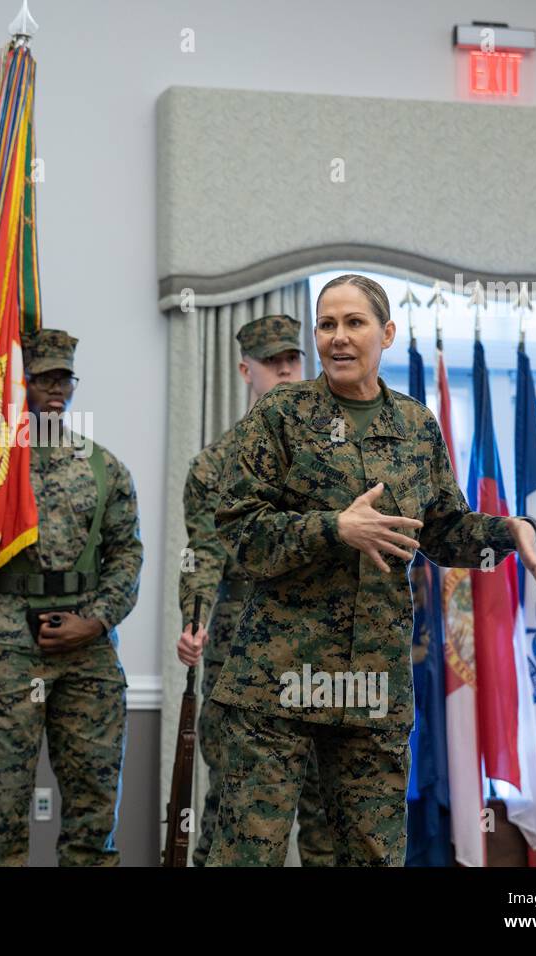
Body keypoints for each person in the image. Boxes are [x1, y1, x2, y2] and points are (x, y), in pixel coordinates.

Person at [207, 274, 536, 866]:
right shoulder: (281, 415)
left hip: (371, 685)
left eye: (354, 323)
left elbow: (444, 533)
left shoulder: (416, 428)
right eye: (327, 325)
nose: (338, 338)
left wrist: (510, 532)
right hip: (277, 681)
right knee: (247, 856)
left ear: (386, 334)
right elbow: (240, 532)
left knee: (372, 858)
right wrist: (333, 528)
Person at [0, 328, 143, 865]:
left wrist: (93, 622)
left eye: (63, 378)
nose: (54, 388)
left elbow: (127, 556)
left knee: (94, 808)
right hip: (5, 648)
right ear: (16, 383)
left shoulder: (103, 467)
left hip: (88, 651)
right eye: (42, 377)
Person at [176, 314, 332, 867]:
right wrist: (193, 617)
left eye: (293, 358)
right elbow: (204, 552)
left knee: (327, 806)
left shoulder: (336, 454)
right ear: (247, 370)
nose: (286, 369)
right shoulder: (215, 465)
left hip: (325, 649)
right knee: (234, 802)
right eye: (273, 362)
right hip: (243, 648)